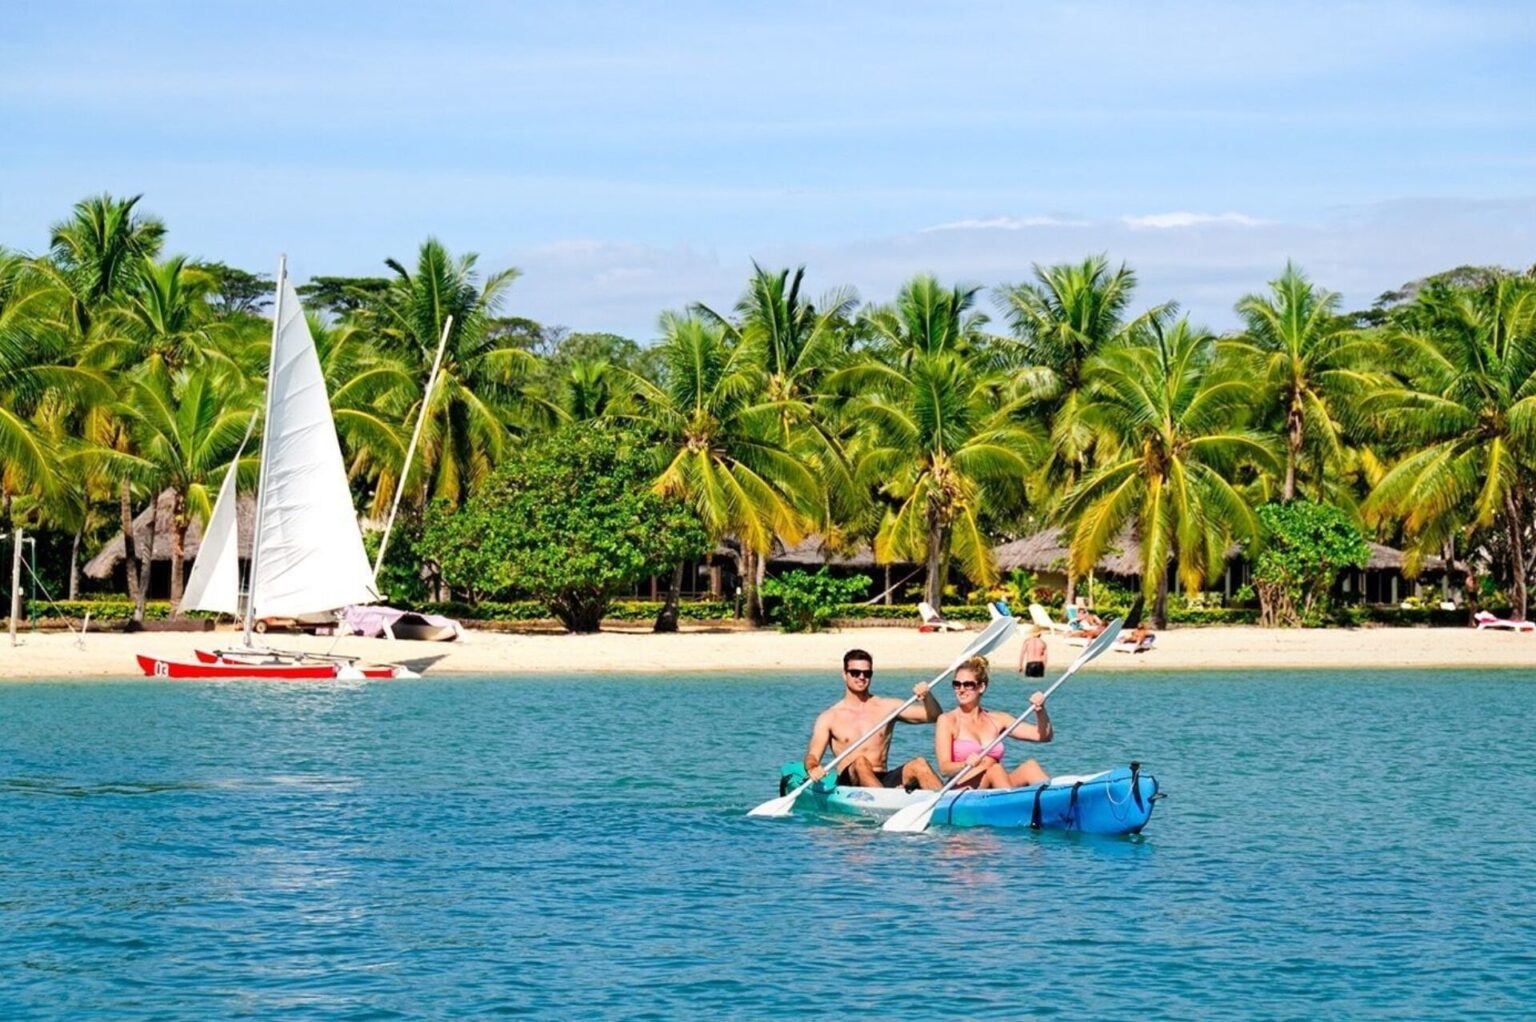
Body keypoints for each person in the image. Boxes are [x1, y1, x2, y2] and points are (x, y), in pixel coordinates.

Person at [804, 649, 943, 791]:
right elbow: (813, 755)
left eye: (867, 673)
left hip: (882, 778)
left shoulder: (886, 707)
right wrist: (813, 768)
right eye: (855, 673)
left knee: (919, 764)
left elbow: (934, 715)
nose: (861, 677)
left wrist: (927, 696)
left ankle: (950, 804)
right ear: (844, 675)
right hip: (851, 783)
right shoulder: (829, 717)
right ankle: (887, 799)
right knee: (860, 762)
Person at [934, 656, 1050, 790]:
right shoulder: (947, 720)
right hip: (964, 789)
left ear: (981, 687)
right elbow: (944, 768)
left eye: (968, 684)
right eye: (957, 684)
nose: (961, 689)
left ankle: (1055, 803)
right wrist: (965, 764)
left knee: (1031, 767)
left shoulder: (997, 719)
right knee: (995, 769)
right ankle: (1012, 805)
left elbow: (1043, 736)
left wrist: (1040, 711)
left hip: (995, 784)